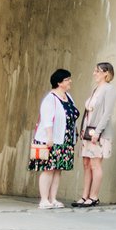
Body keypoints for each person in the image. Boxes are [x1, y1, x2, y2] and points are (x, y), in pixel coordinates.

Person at [29, 67, 78, 209]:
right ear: (59, 82)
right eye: (67, 79)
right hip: (52, 139)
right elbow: (47, 119)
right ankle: (44, 199)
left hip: (65, 139)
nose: (70, 82)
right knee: (48, 168)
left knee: (58, 169)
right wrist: (49, 137)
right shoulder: (50, 98)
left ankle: (53, 198)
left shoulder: (68, 97)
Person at [74, 62, 116, 208]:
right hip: (88, 130)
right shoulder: (96, 89)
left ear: (106, 73)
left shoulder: (109, 89)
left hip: (98, 132)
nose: (94, 73)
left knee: (95, 163)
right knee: (86, 163)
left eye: (97, 71)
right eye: (94, 71)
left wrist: (98, 132)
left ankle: (94, 196)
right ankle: (85, 195)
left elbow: (107, 113)